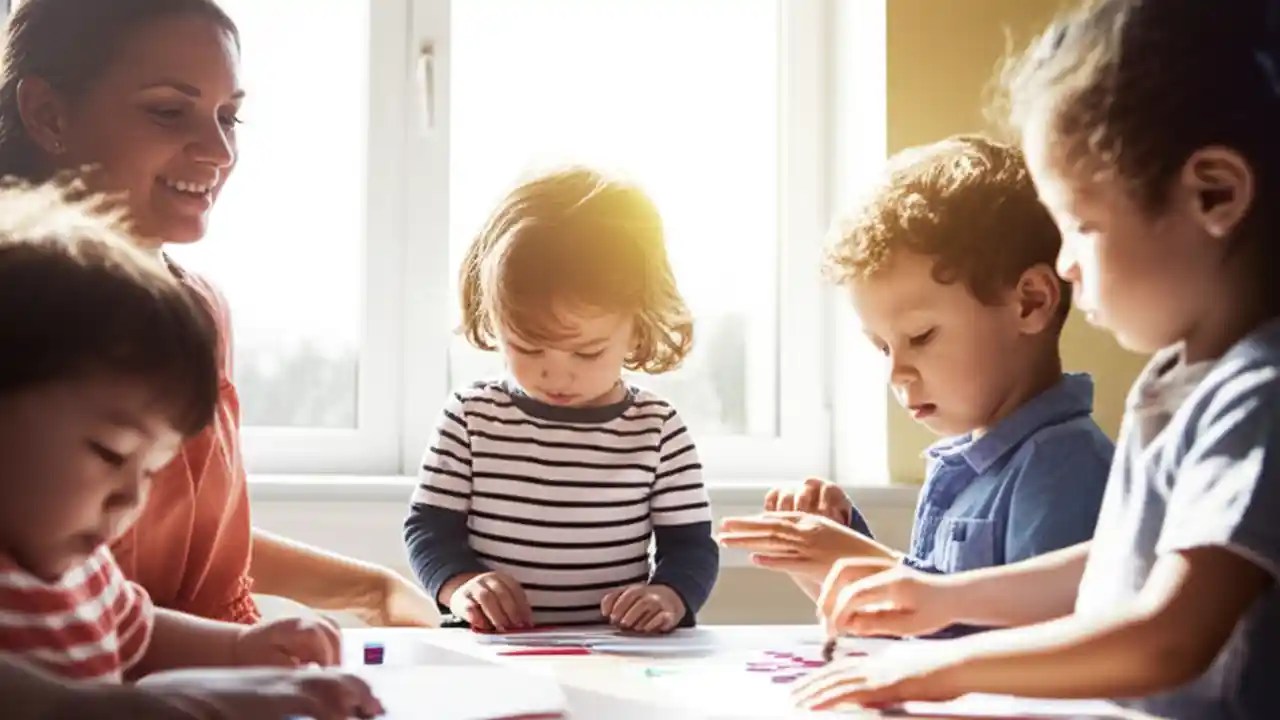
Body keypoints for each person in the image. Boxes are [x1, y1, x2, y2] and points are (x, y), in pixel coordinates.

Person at [795, 1, 1280, 717]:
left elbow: (1169, 636)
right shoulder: (1185, 386)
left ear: (1214, 193)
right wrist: (939, 597)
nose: (1063, 265)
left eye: (1081, 226)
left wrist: (941, 668)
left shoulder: (1259, 395)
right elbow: (1122, 564)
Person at [0, 0, 436, 626]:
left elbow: (186, 546)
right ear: (48, 114)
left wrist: (371, 588)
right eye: (168, 112)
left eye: (229, 116)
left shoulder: (197, 313)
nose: (218, 150)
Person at [0, 179, 381, 720]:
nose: (130, 497)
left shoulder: (83, 572)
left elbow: (142, 628)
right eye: (110, 453)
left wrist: (238, 649)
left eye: (150, 471)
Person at [718, 137, 1112, 617]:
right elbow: (928, 625)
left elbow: (1047, 649)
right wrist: (829, 559)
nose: (896, 372)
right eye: (881, 347)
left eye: (920, 336)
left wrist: (858, 562)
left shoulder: (1062, 468)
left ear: (1030, 301)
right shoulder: (965, 468)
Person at [405, 167, 719, 633]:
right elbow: (428, 529)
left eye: (588, 352)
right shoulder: (470, 418)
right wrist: (461, 584)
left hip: (616, 649)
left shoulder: (657, 428)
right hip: (495, 647)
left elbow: (690, 546)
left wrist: (668, 594)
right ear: (494, 319)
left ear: (637, 326)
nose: (556, 373)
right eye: (527, 348)